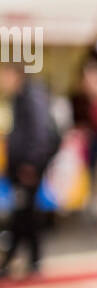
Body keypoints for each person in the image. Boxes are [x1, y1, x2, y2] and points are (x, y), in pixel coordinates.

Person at [0, 63, 59, 277]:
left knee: (22, 212)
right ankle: (32, 260)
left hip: (28, 166)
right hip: (22, 165)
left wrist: (31, 163)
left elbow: (39, 131)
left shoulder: (30, 96)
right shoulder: (21, 96)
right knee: (25, 212)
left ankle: (13, 261)